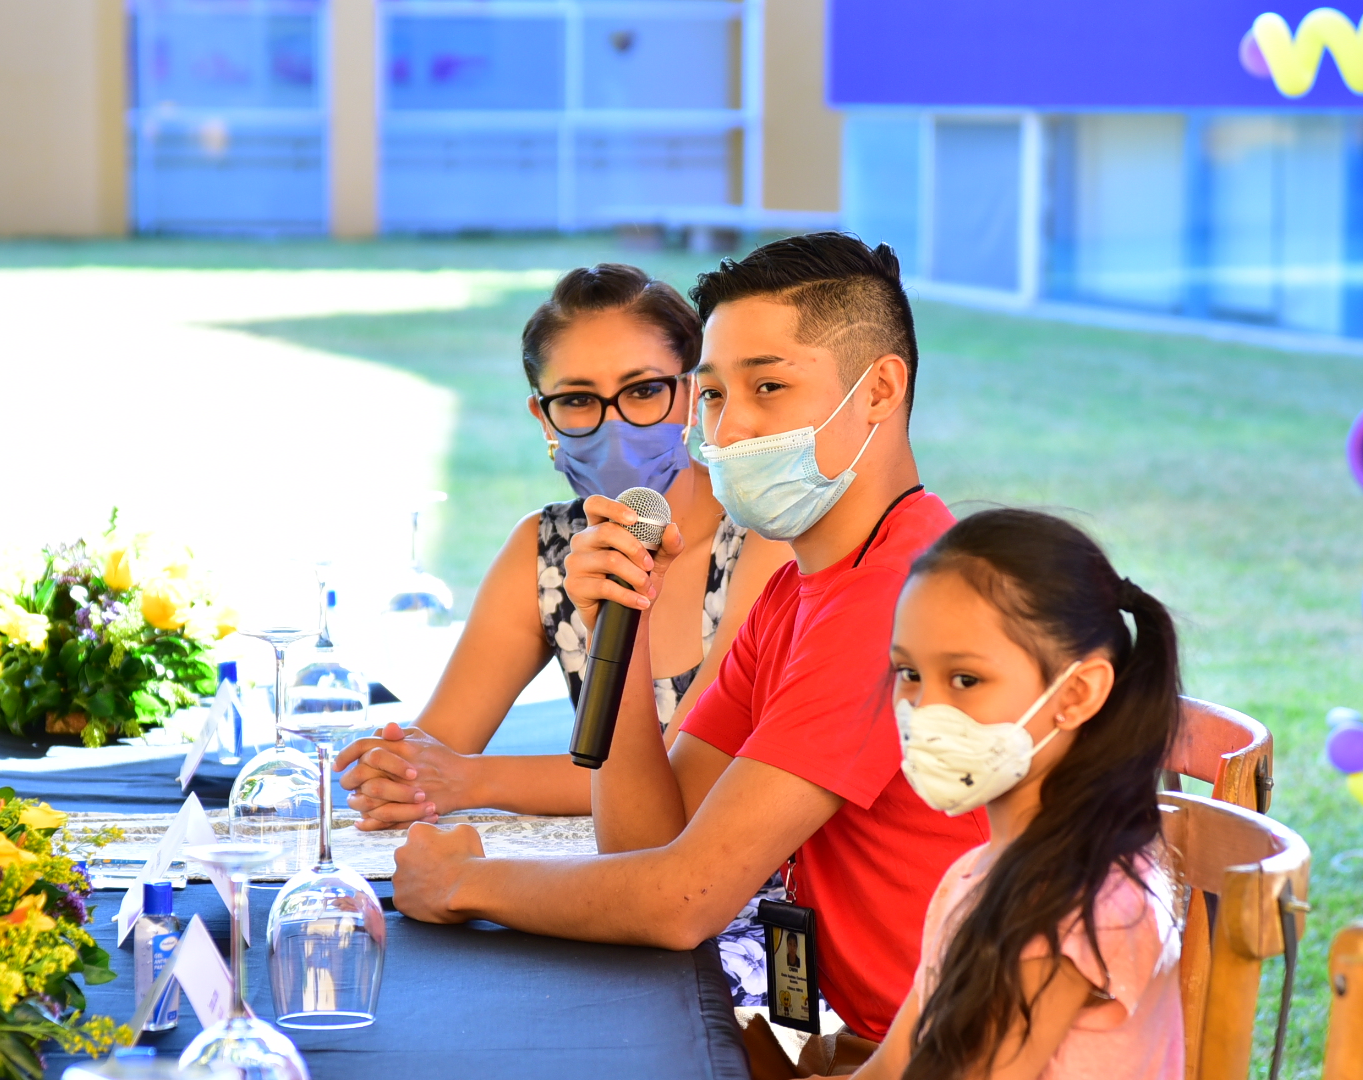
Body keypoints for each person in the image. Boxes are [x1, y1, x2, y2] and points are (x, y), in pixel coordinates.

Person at [382, 232, 987, 1049]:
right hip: (871, 1041)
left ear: (879, 389)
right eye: (710, 396)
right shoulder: (799, 587)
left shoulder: (893, 599)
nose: (727, 431)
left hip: (948, 1057)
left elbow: (682, 900)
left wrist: (464, 883)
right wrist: (616, 637)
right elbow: (643, 842)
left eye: (768, 387)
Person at [335, 263, 792, 1005]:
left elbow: (678, 784)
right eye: (578, 400)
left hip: (729, 923)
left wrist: (472, 779)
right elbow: (434, 747)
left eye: (644, 391)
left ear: (695, 395)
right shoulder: (544, 548)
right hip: (607, 902)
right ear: (544, 420)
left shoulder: (766, 543)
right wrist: (400, 772)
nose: (614, 425)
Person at [851, 508, 1184, 1079]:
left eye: (965, 680)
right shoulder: (974, 875)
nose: (923, 711)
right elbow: (891, 1068)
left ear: (1076, 693)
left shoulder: (1088, 909)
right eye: (908, 673)